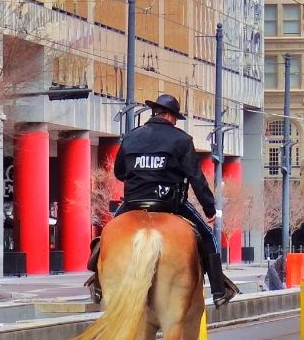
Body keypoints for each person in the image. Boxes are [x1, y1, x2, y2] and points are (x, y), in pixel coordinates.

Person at [85, 93, 239, 306]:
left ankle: (99, 285)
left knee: (106, 237)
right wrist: (209, 209)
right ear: (169, 115)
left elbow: (120, 172)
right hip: (170, 203)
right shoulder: (182, 139)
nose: (175, 121)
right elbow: (196, 177)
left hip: (133, 203)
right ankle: (219, 291)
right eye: (175, 116)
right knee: (209, 238)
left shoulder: (131, 136)